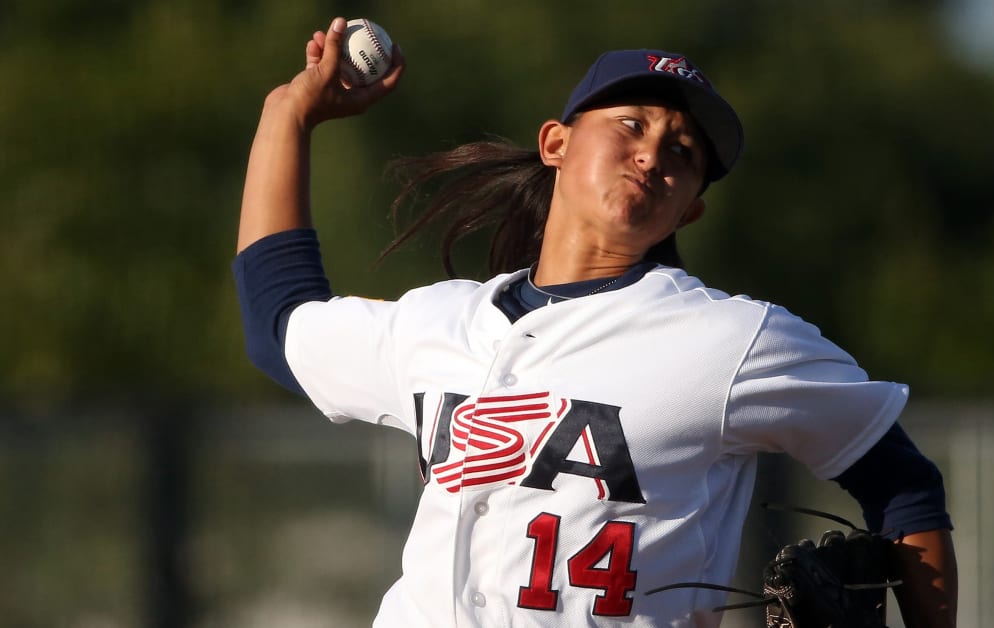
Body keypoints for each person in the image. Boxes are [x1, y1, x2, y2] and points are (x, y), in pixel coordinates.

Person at [234, 16, 957, 628]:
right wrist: (286, 112)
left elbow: (902, 484)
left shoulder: (733, 341)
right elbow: (280, 325)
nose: (652, 153)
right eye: (631, 125)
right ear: (556, 144)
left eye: (683, 152)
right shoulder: (440, 320)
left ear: (691, 208)